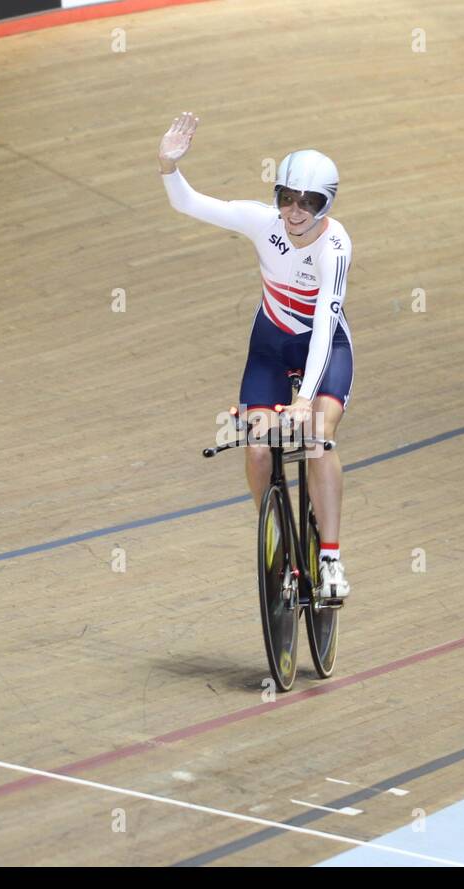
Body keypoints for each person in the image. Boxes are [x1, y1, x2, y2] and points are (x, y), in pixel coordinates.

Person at [158, 111, 353, 599]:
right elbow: (189, 204)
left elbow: (327, 324)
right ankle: (279, 542)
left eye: (308, 201)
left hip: (322, 346)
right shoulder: (261, 222)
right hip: (270, 344)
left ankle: (329, 558)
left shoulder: (335, 244)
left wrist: (306, 399)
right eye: (287, 198)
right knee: (258, 446)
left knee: (317, 439)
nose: (294, 210)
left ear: (325, 203)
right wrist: (167, 164)